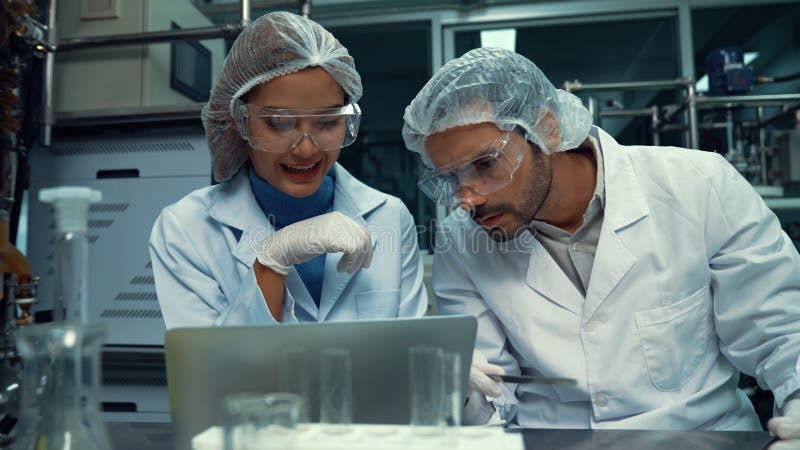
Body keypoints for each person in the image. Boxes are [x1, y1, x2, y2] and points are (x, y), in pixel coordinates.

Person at [402, 46, 800, 443]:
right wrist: (464, 395)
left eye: (486, 164)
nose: (467, 198)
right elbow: (492, 393)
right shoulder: (461, 240)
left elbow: (782, 331)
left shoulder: (698, 185)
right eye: (450, 178)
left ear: (546, 129)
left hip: (702, 438)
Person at [149, 11, 427, 329]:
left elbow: (411, 349)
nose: (306, 150)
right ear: (238, 122)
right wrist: (272, 262)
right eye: (280, 123)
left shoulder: (391, 217)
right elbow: (209, 359)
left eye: (327, 122)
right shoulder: (186, 229)